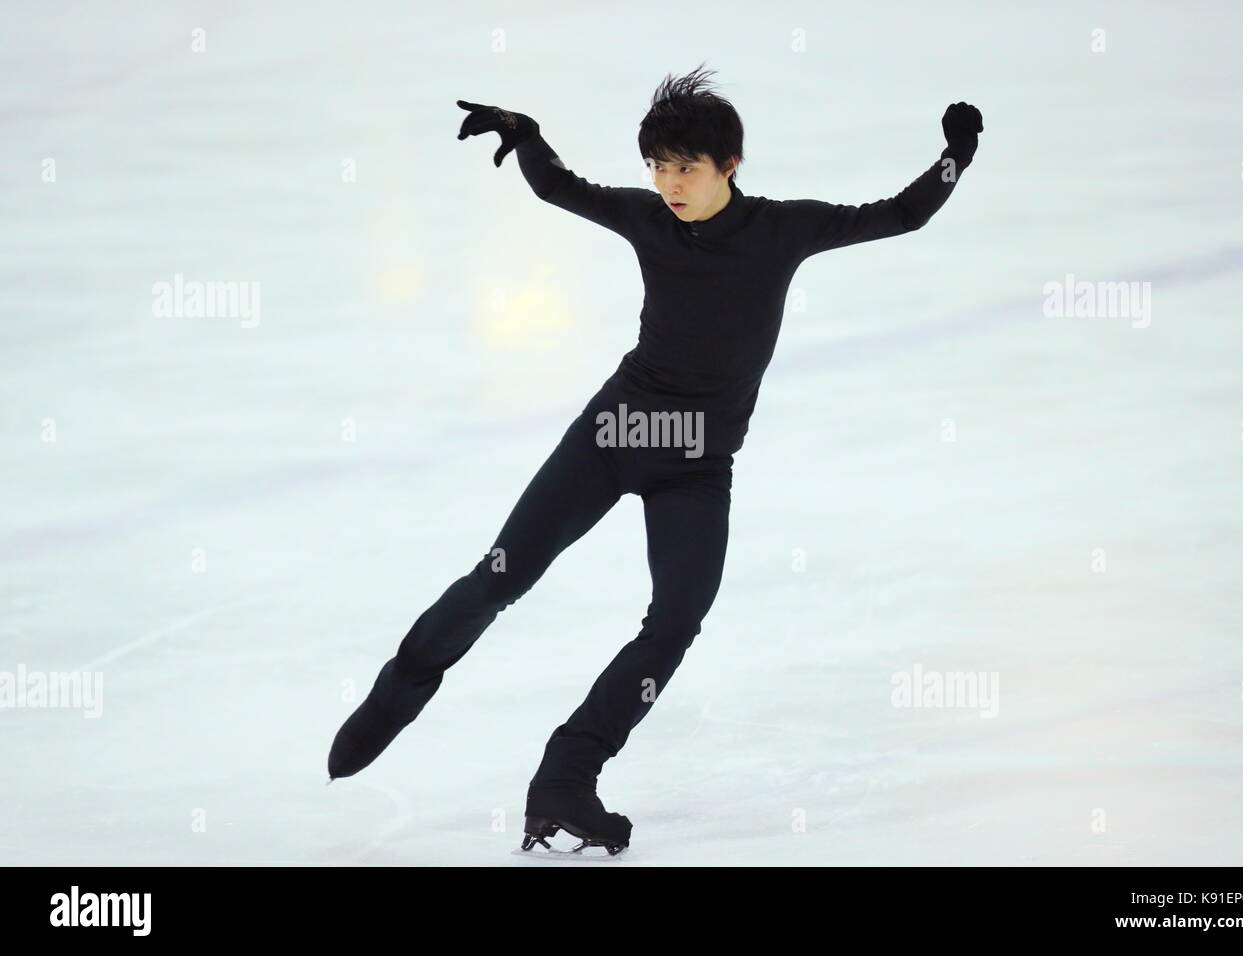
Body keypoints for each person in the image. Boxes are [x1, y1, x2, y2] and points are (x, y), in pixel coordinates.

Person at [328, 64, 983, 855]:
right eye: (658, 166)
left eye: (686, 167)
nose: (669, 184)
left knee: (676, 620)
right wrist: (526, 133)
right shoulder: (647, 218)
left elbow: (901, 215)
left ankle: (567, 775)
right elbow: (557, 188)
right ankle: (404, 685)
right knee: (503, 574)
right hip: (617, 433)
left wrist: (956, 155)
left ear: (730, 165)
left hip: (697, 466)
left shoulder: (784, 230)